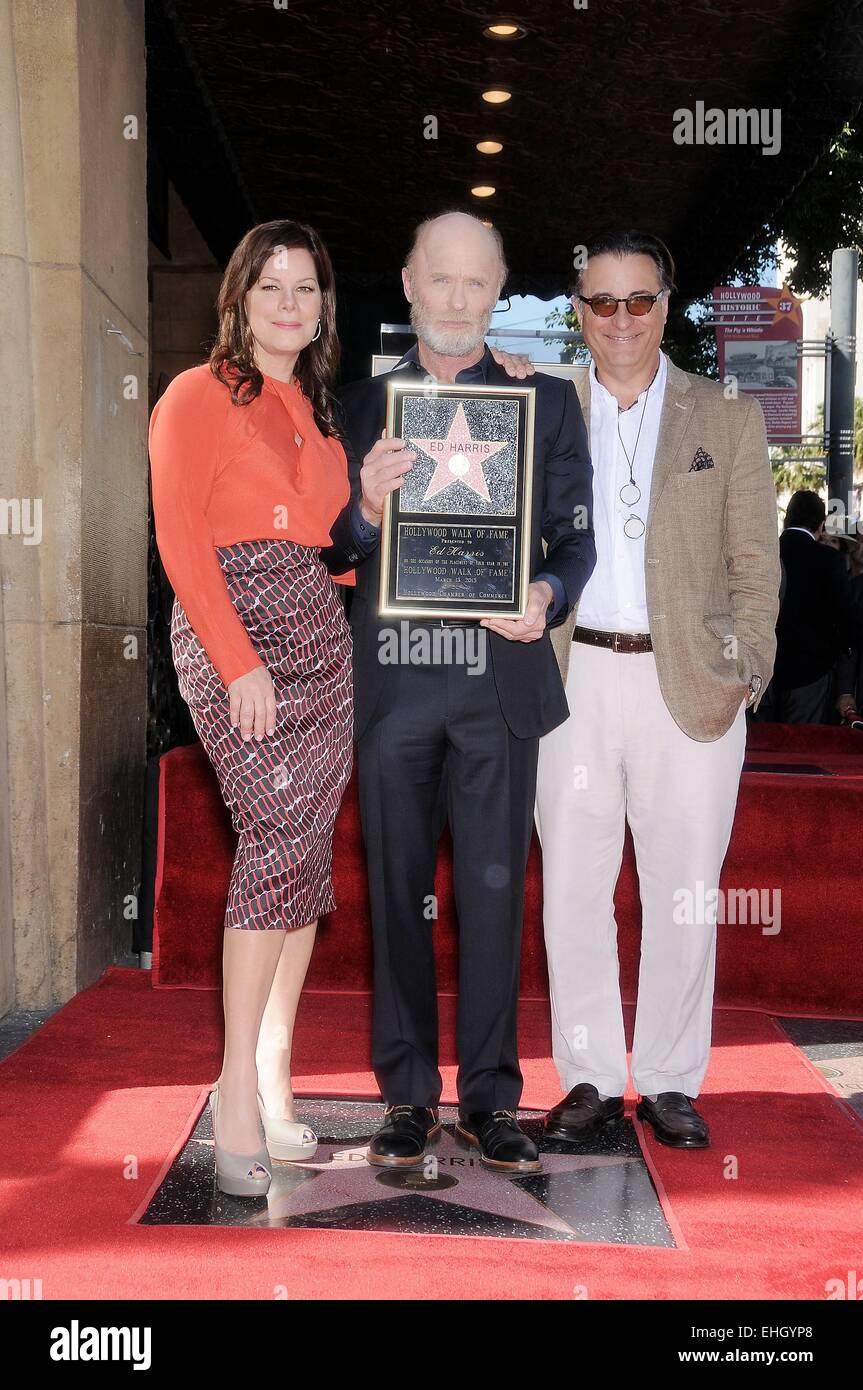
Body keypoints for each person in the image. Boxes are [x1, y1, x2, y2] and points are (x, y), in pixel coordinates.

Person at [321, 211, 595, 1173]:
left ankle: (489, 1096)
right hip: (391, 686)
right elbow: (324, 551)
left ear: (500, 288)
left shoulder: (545, 404)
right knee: (394, 893)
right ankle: (405, 1095)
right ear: (407, 280)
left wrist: (549, 592)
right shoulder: (355, 408)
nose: (457, 300)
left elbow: (577, 538)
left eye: (478, 283)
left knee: (491, 896)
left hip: (497, 685)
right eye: (441, 280)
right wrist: (362, 508)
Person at [535, 230, 781, 1149]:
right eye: (603, 303)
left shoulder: (724, 415)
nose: (623, 320)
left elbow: (756, 560)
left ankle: (672, 1079)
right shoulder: (546, 408)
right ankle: (592, 1078)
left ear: (666, 306)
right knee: (572, 886)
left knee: (683, 891)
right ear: (581, 312)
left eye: (641, 301)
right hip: (570, 678)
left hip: (692, 686)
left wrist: (747, 667)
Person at [149, 219, 360, 1197]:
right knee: (273, 846)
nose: (289, 302)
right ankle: (234, 1093)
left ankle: (274, 1083)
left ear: (321, 305)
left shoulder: (313, 416)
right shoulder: (196, 394)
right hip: (240, 638)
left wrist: (385, 499)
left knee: (299, 859)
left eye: (305, 287)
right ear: (238, 298)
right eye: (271, 285)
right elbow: (181, 537)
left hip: (320, 645)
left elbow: (327, 543)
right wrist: (237, 663)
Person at [756, 491, 863, 723]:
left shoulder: (763, 556)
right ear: (821, 524)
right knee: (802, 749)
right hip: (809, 674)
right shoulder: (828, 560)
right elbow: (847, 616)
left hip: (761, 675)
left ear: (787, 519)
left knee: (760, 749)